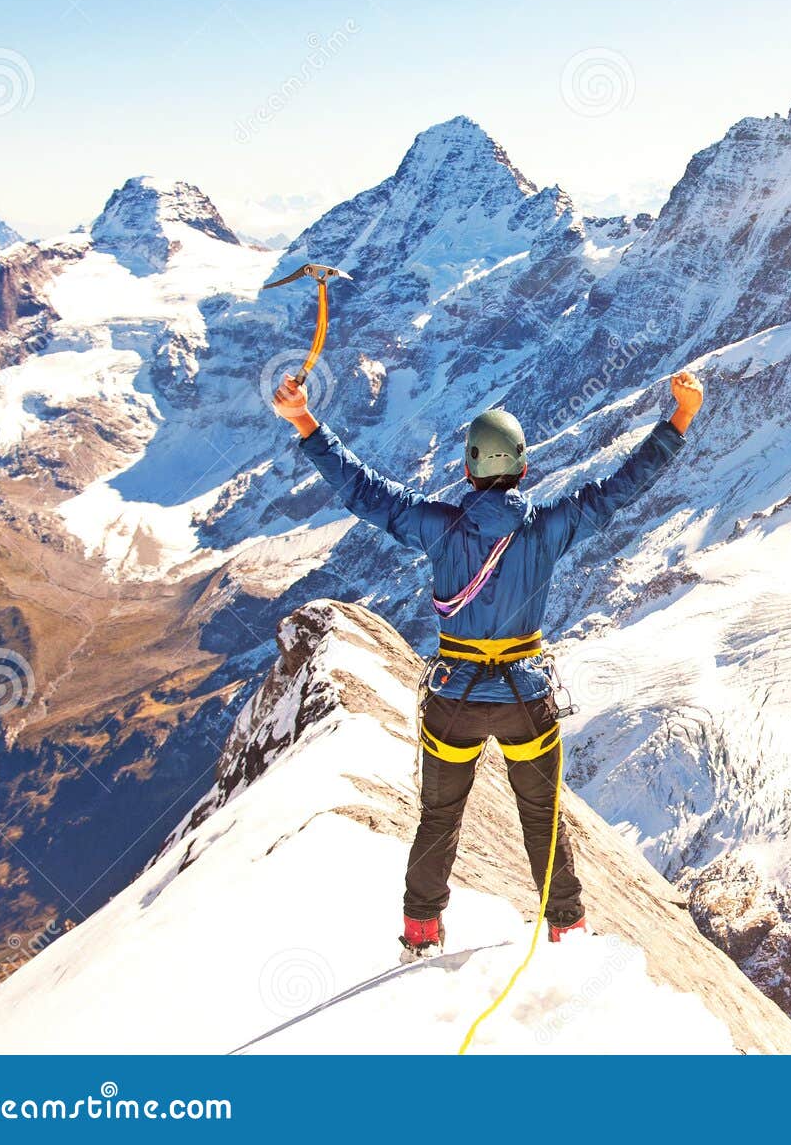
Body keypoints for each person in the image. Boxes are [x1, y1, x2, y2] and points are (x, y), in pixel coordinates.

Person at [272, 369, 703, 958]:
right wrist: (680, 417)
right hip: (527, 701)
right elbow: (621, 486)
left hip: (456, 701)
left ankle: (422, 931)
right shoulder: (551, 527)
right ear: (523, 468)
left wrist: (303, 419)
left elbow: (364, 491)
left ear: (470, 470)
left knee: (439, 817)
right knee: (542, 819)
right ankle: (567, 929)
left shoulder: (437, 528)